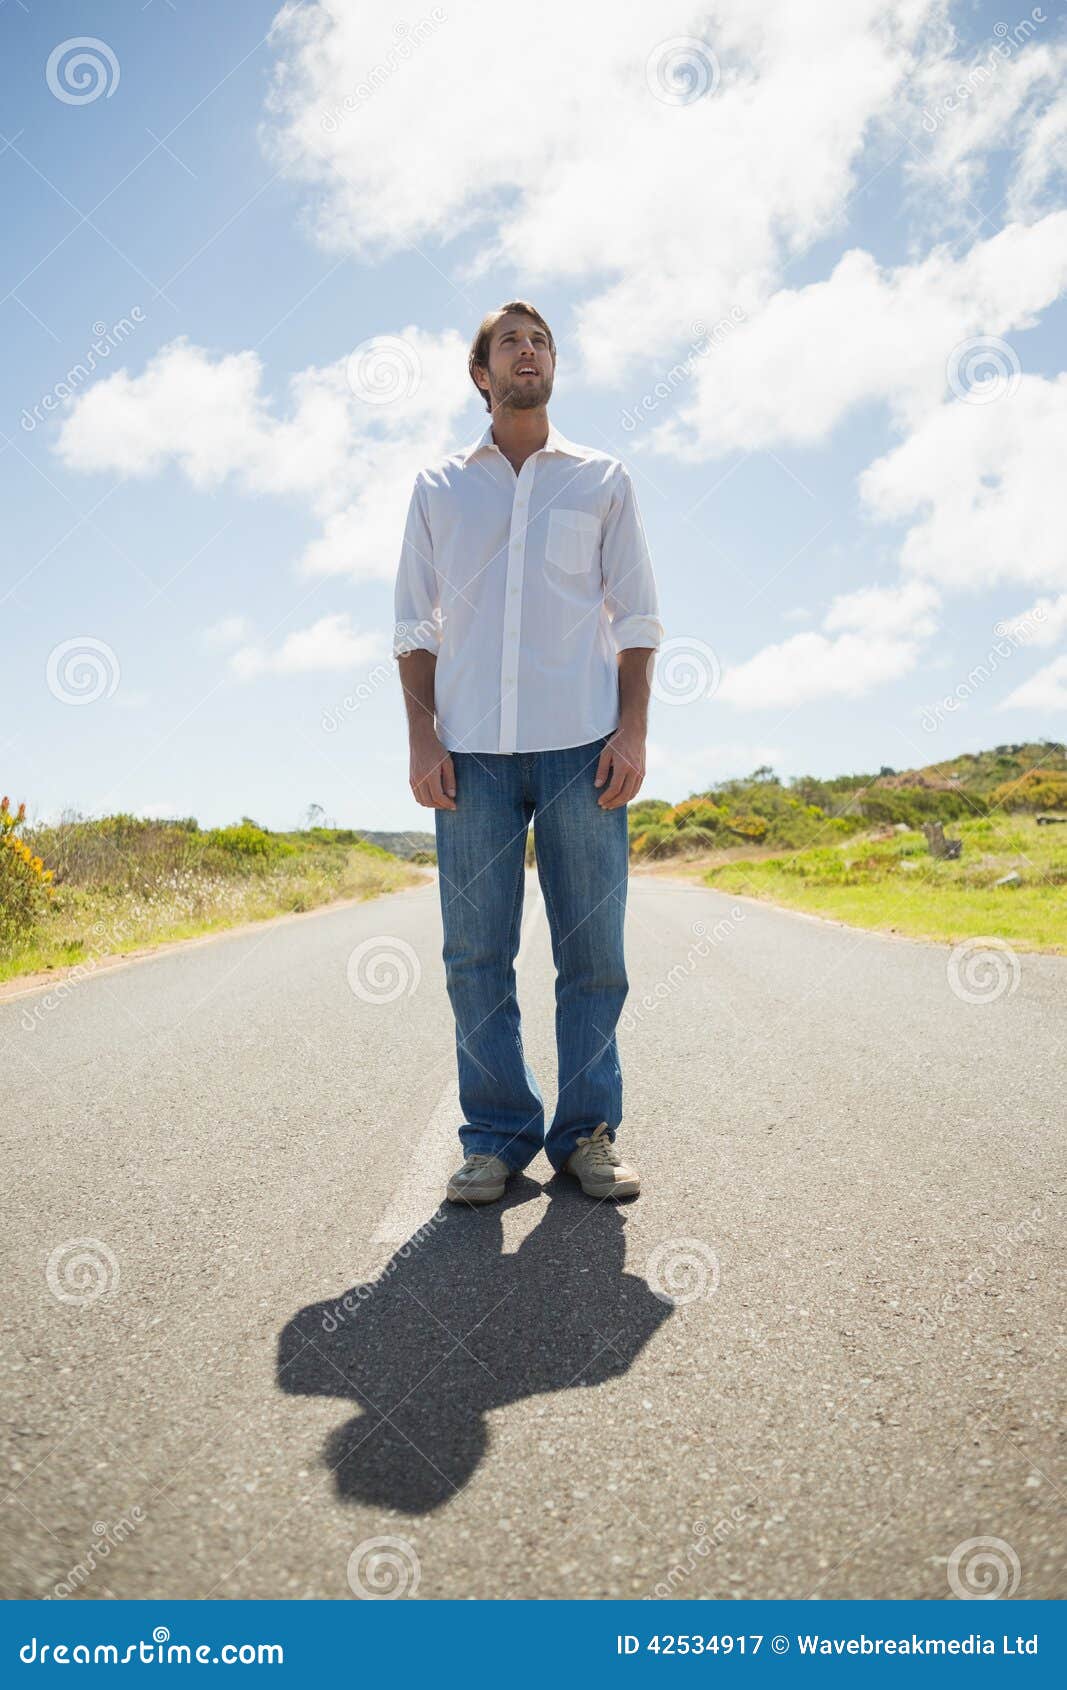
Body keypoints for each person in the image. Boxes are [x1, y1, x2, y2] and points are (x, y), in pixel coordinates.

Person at [393, 300, 664, 1205]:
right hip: (468, 752)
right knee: (475, 957)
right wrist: (421, 734)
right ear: (481, 374)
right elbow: (413, 623)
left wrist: (631, 731)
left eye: (540, 340)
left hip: (582, 748)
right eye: (509, 340)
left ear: (552, 367)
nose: (527, 349)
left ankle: (587, 1134)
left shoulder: (600, 479)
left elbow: (637, 617)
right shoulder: (439, 488)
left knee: (592, 957)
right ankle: (496, 1137)